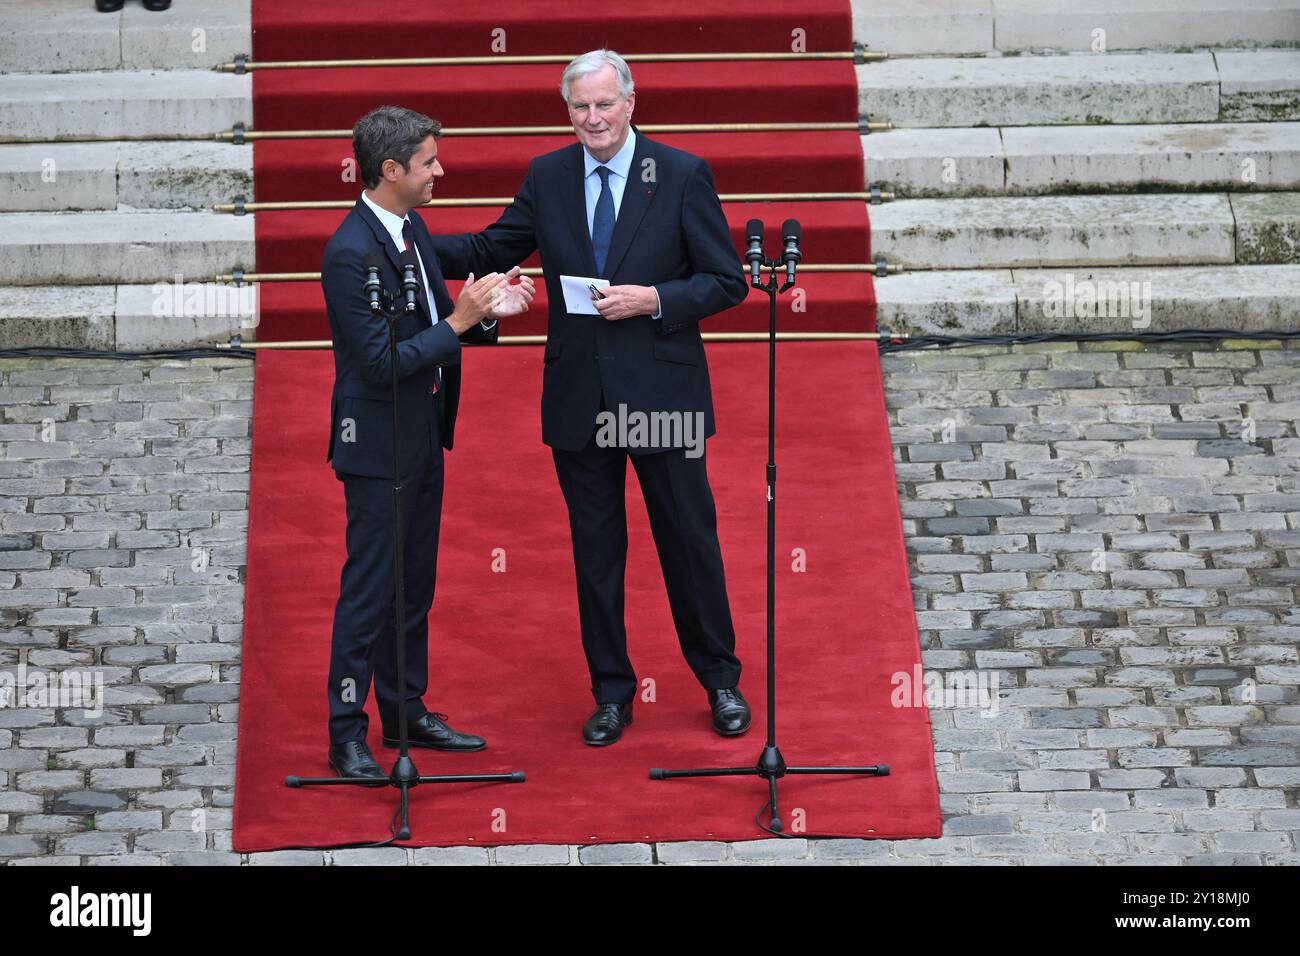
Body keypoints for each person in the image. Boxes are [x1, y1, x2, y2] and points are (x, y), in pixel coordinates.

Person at [431, 49, 751, 746]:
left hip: (662, 393)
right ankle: (611, 692)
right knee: (596, 552)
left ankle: (721, 680)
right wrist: (408, 241)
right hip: (581, 397)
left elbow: (727, 281)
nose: (593, 118)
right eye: (580, 107)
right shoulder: (548, 175)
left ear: (631, 103)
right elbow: (495, 244)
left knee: (688, 541)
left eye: (604, 104)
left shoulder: (680, 174)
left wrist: (655, 299)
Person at [321, 106, 535, 781]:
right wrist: (461, 320)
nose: (440, 171)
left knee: (414, 586)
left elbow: (449, 286)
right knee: (369, 591)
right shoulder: (349, 252)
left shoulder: (407, 225)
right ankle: (345, 731)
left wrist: (487, 305)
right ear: (391, 170)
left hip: (418, 437)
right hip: (375, 444)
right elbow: (382, 361)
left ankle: (406, 709)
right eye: (429, 163)